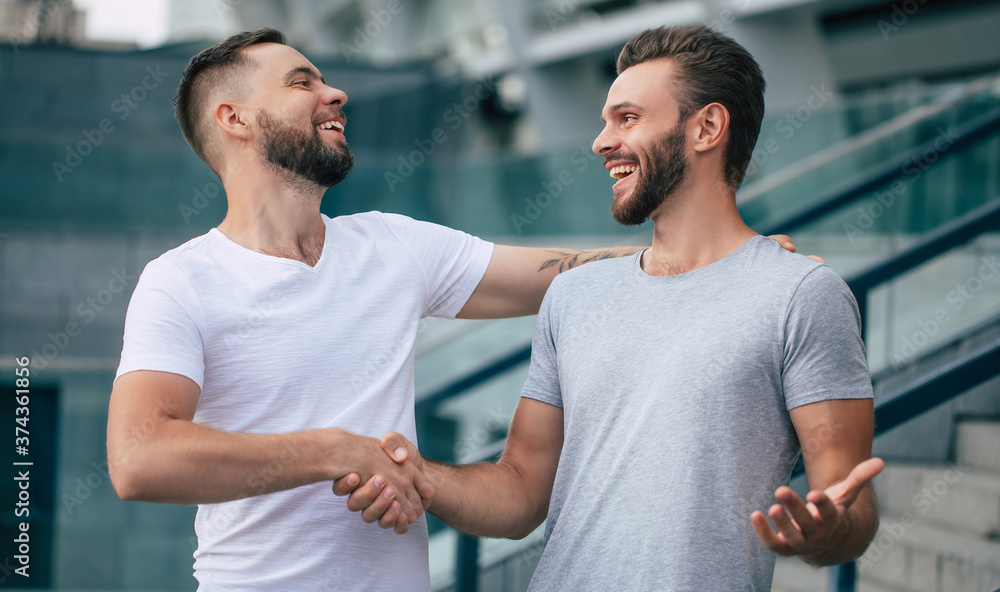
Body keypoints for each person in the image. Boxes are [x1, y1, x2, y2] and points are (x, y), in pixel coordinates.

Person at [106, 27, 807, 591]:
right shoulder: (182, 282)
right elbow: (139, 459)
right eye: (303, 82)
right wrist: (334, 451)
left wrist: (713, 257)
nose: (334, 92)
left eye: (324, 77)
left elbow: (553, 276)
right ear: (233, 118)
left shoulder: (391, 246)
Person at [339, 25, 883, 591]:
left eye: (627, 119)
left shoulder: (802, 295)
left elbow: (849, 506)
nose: (600, 141)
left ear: (708, 127)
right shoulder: (575, 296)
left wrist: (825, 533)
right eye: (605, 121)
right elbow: (522, 491)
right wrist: (421, 476)